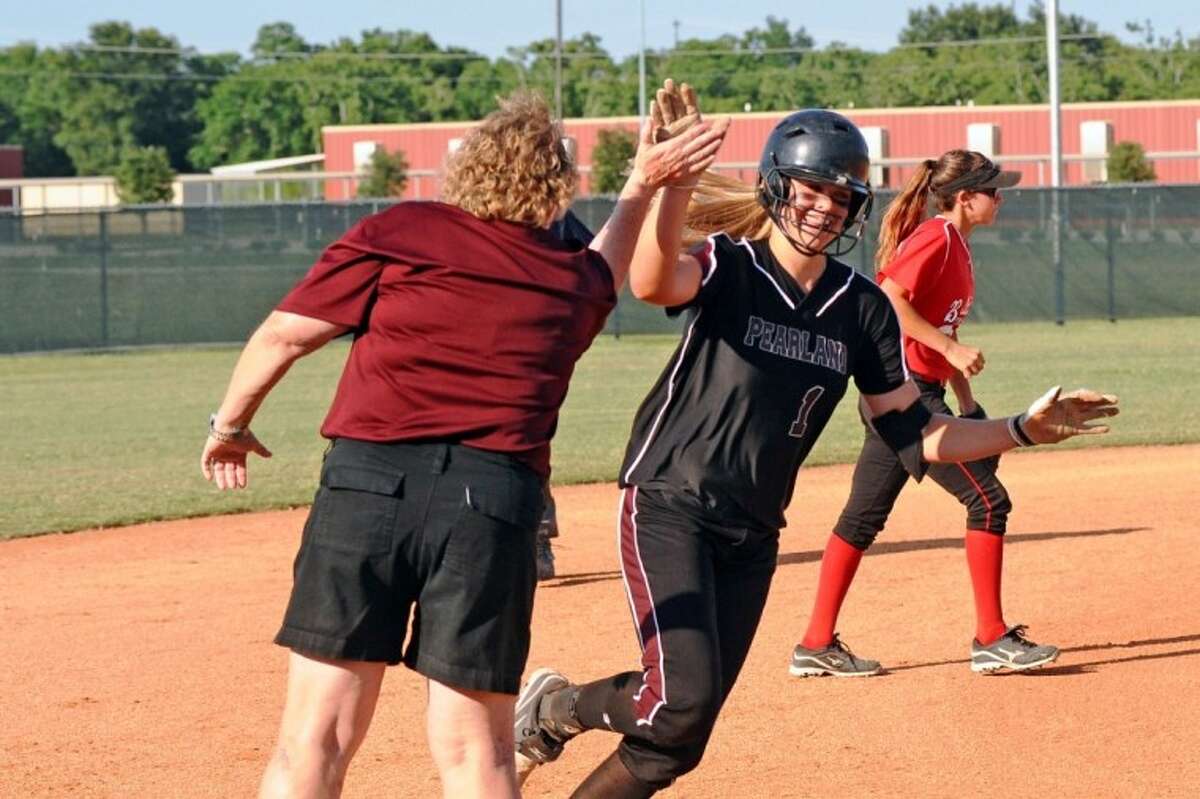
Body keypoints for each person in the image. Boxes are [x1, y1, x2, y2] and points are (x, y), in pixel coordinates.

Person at [512, 83, 1118, 797]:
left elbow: (919, 434)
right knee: (677, 700)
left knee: (677, 742)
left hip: (754, 531)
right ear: (777, 186)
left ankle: (553, 716)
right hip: (670, 502)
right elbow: (649, 281)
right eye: (812, 187)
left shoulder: (859, 308)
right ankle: (555, 706)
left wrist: (1021, 428)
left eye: (842, 195)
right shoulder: (729, 264)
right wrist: (670, 183)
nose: (826, 205)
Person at [198, 89, 728, 799]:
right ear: (557, 189)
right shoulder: (571, 281)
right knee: (478, 753)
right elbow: (609, 259)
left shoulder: (402, 230)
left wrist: (229, 426)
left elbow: (284, 335)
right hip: (492, 506)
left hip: (367, 487)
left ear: (466, 170)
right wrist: (642, 180)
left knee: (315, 737)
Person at [790, 150, 1050, 679]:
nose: (1000, 199)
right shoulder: (935, 237)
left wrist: (968, 401)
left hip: (917, 393)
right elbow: (890, 298)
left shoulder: (958, 245)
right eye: (993, 190)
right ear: (963, 197)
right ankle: (991, 638)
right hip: (905, 398)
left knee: (862, 518)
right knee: (988, 501)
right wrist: (949, 355)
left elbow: (942, 330)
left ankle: (815, 644)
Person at [536, 210, 599, 581]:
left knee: (529, 436)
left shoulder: (552, 214)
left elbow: (596, 260)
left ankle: (539, 535)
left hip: (538, 346)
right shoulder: (469, 214)